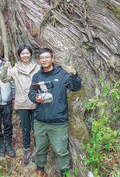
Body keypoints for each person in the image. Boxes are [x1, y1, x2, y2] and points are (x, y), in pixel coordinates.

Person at [28, 48, 82, 177]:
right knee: (40, 149)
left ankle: (64, 173)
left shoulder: (62, 74)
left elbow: (75, 87)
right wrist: (35, 98)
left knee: (61, 150)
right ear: (39, 60)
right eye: (42, 58)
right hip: (40, 120)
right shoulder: (37, 76)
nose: (45, 60)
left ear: (53, 58)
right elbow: (31, 93)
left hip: (58, 121)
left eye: (47, 57)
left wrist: (74, 75)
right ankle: (40, 171)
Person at [1, 44, 40, 164]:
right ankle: (27, 149)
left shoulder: (37, 67)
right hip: (22, 102)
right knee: (25, 128)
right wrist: (4, 68)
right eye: (23, 53)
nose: (25, 55)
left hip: (36, 101)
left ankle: (38, 150)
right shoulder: (14, 69)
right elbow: (4, 79)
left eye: (27, 53)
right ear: (19, 55)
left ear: (30, 54)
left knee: (37, 127)